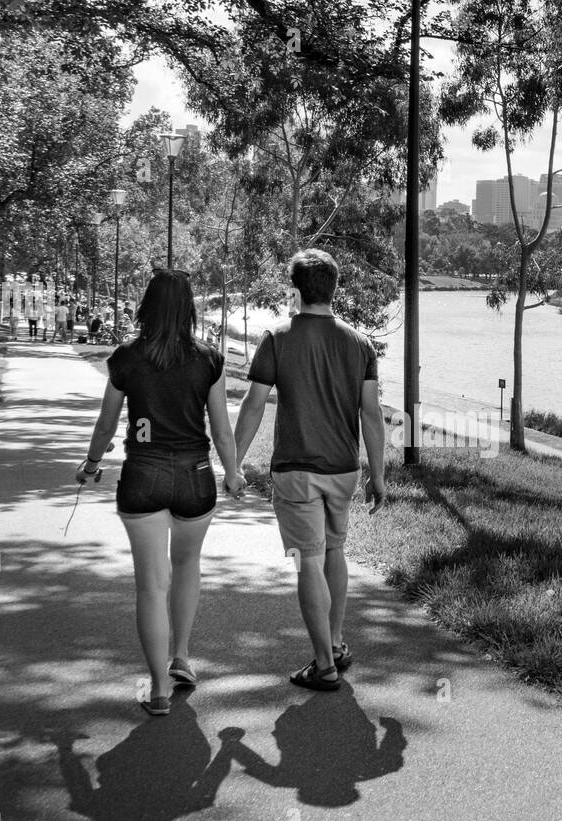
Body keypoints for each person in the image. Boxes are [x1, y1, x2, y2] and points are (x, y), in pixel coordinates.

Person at [77, 269, 247, 717]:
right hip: (195, 475)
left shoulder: (126, 358)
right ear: (189, 309)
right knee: (186, 565)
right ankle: (182, 658)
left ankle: (157, 690)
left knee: (151, 586)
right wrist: (232, 474)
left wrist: (90, 465)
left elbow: (105, 425)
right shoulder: (209, 360)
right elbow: (221, 431)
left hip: (143, 475)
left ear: (146, 307)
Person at [233, 248, 386, 692]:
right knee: (335, 552)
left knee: (308, 563)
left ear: (296, 292)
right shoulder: (360, 344)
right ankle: (335, 645)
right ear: (334, 289)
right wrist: (378, 475)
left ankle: (324, 666)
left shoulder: (277, 338)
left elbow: (254, 405)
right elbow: (371, 414)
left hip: (297, 471)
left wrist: (233, 462)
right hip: (343, 470)